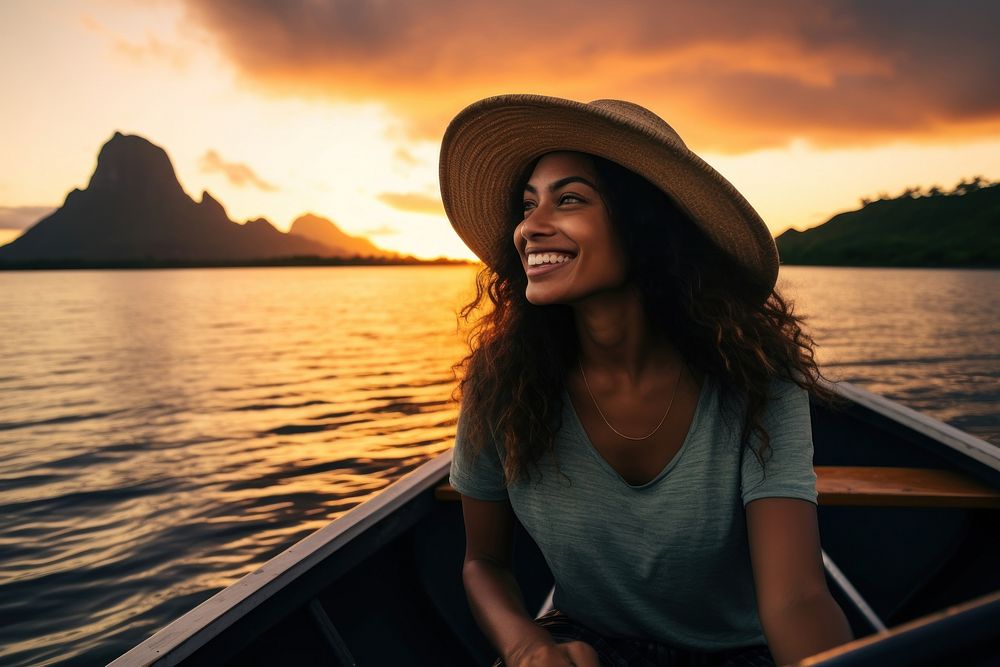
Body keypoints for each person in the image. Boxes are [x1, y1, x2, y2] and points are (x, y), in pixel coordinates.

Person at [438, 95, 853, 667]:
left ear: (644, 226)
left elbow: (796, 599)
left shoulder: (757, 379)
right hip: (587, 641)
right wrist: (527, 645)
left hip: (737, 654)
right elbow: (483, 562)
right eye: (527, 205)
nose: (530, 227)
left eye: (569, 199)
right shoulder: (501, 380)